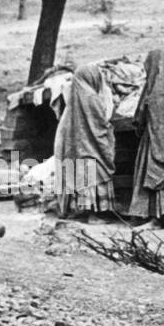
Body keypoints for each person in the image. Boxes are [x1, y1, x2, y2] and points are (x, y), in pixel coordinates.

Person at [127, 48, 164, 220]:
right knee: (159, 178)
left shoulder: (153, 93)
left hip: (154, 144)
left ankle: (155, 218)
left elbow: (139, 118)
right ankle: (159, 216)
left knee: (152, 177)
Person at [53, 64, 115, 218]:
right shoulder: (92, 98)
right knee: (95, 175)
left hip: (77, 151)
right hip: (93, 150)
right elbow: (100, 124)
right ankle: (95, 215)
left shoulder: (73, 100)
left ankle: (82, 210)